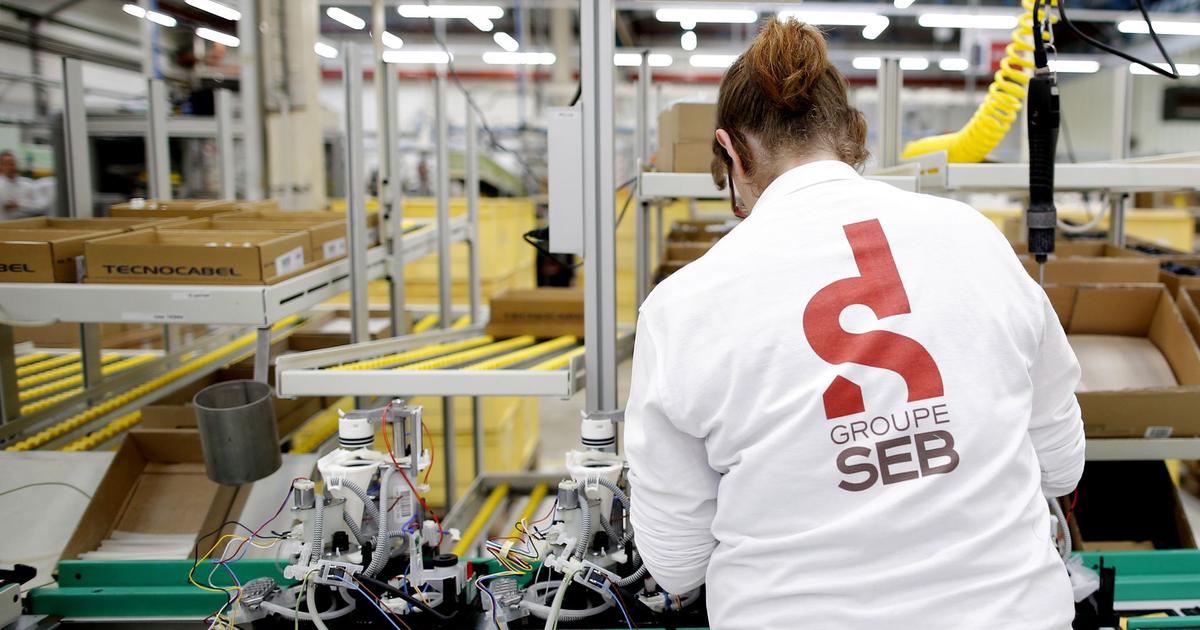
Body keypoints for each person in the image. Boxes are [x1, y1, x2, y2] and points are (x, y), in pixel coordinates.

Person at [625, 18, 1084, 630]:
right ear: (852, 133)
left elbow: (678, 564)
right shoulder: (974, 238)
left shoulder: (681, 306)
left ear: (731, 152)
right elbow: (1061, 466)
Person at [0, 150, 50, 219]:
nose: (11, 166)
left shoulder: (28, 184)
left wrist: (19, 205)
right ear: (1, 166)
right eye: (7, 164)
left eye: (12, 163)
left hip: (26, 224)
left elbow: (42, 206)